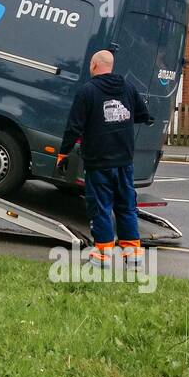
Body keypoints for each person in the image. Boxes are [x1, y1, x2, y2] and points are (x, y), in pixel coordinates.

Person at [56, 50, 155, 265]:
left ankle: (103, 255)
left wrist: (63, 153)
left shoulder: (87, 92)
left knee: (100, 206)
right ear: (110, 66)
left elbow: (74, 127)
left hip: (99, 162)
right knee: (126, 205)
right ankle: (132, 253)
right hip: (124, 161)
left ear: (94, 66)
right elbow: (142, 114)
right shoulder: (128, 88)